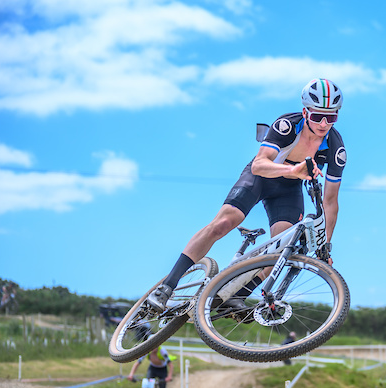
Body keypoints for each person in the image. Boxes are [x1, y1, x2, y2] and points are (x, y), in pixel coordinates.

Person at [146, 78, 347, 311]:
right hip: (261, 178)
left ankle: (234, 297)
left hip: (288, 190)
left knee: (282, 249)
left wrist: (325, 246)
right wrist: (293, 169)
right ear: (305, 112)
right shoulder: (287, 125)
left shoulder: (335, 148)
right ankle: (167, 287)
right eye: (317, 116)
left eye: (331, 117)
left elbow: (330, 202)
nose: (324, 123)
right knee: (223, 223)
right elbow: (259, 165)